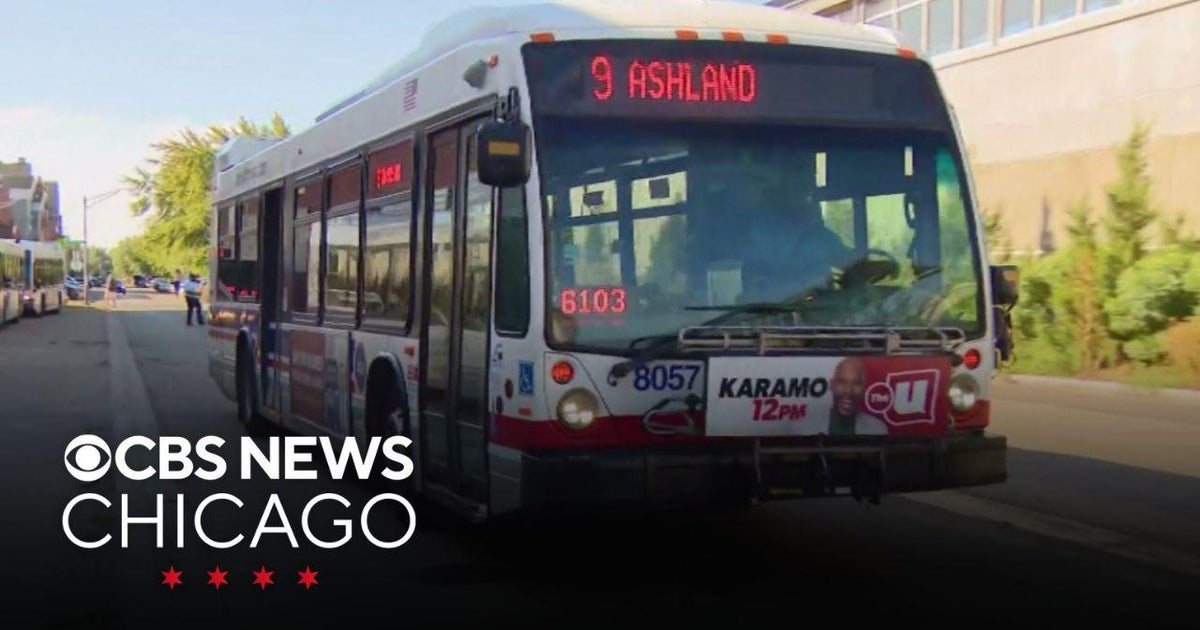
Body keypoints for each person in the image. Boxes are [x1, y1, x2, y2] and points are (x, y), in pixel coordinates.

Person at [826, 357, 888, 437]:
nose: (848, 391)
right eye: (842, 382)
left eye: (856, 384)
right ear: (832, 385)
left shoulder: (878, 429)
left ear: (864, 389)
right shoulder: (810, 423)